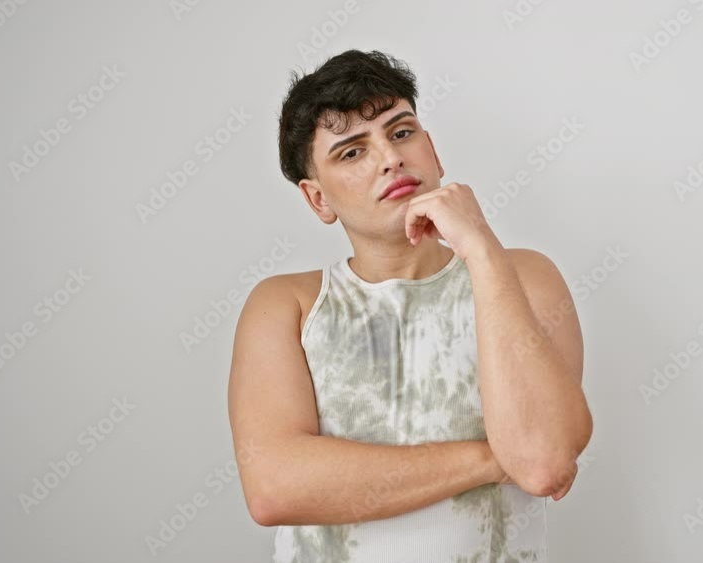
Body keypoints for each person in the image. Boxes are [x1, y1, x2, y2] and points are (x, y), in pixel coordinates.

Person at [227, 49, 592, 563]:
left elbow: (544, 463)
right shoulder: (286, 305)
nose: (390, 158)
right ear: (318, 200)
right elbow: (274, 486)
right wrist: (492, 459)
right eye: (352, 152)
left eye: (401, 133)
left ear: (433, 150)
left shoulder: (523, 276)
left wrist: (482, 247)